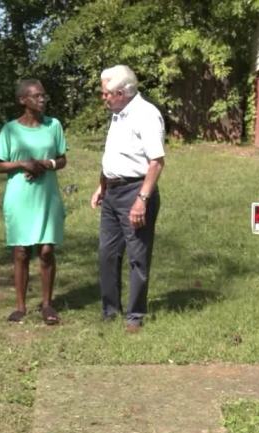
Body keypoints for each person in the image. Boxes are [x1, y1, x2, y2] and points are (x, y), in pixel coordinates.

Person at [89, 65, 165, 333]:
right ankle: (110, 311)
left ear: (121, 92)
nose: (103, 98)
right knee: (107, 254)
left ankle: (135, 315)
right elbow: (114, 155)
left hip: (135, 192)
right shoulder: (118, 114)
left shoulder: (146, 115)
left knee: (137, 255)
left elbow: (156, 162)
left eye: (106, 93)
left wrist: (142, 200)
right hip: (112, 192)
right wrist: (102, 186)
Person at [0, 79, 67, 325]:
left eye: (44, 95)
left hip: (46, 195)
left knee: (46, 250)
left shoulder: (53, 125)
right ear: (23, 100)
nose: (42, 99)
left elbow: (62, 159)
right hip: (20, 197)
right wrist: (23, 164)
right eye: (36, 96)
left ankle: (47, 304)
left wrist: (47, 164)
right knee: (21, 251)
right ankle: (21, 306)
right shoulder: (10, 130)